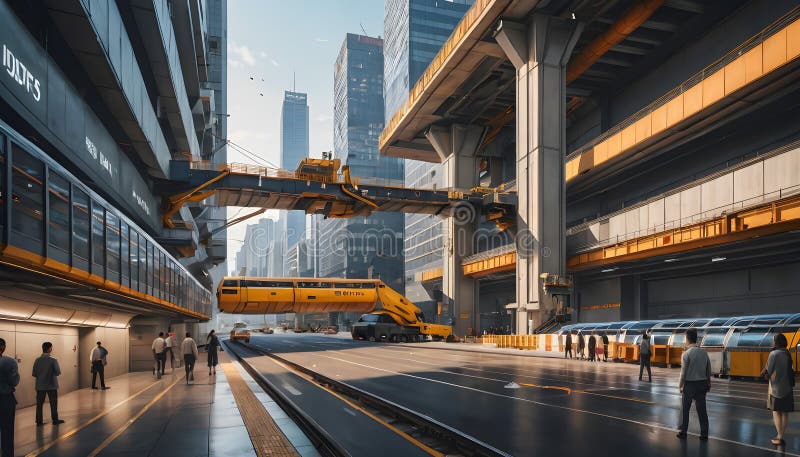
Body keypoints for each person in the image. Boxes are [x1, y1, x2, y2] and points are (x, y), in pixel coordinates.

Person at [677, 328, 711, 440]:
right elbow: (708, 370)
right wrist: (708, 383)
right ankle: (704, 434)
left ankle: (683, 432)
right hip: (702, 384)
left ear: (687, 339)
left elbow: (683, 373)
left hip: (689, 385)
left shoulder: (686, 354)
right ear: (696, 339)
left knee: (685, 409)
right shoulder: (704, 353)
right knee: (702, 410)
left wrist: (680, 385)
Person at [761, 333, 794, 446]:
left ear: (776, 342)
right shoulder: (787, 353)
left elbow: (768, 371)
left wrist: (764, 373)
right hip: (787, 387)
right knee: (785, 413)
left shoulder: (773, 354)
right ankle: (781, 435)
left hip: (776, 388)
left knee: (776, 412)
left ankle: (779, 437)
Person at [32, 342, 64, 426]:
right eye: (51, 348)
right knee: (53, 404)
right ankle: (55, 420)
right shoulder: (53, 360)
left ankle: (39, 421)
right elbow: (58, 372)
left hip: (40, 386)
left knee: (39, 404)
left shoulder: (37, 360)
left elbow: (34, 373)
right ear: (49, 348)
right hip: (51, 385)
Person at [0, 338, 19, 457]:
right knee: (7, 430)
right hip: (5, 399)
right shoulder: (9, 362)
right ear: (3, 347)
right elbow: (14, 381)